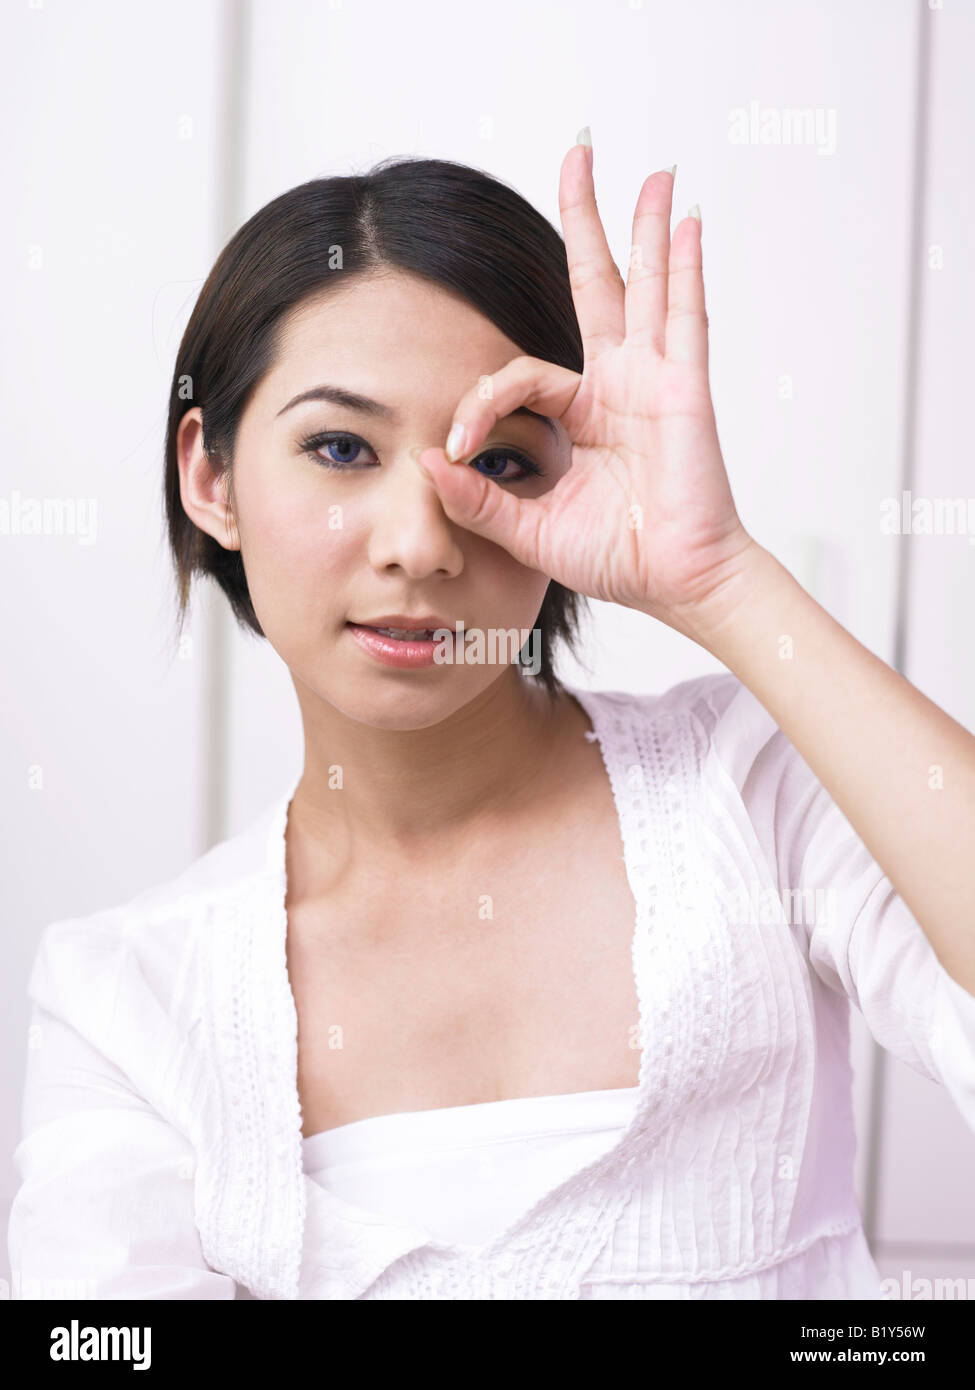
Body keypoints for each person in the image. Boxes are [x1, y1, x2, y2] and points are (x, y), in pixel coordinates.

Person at [8, 132, 975, 1301]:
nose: (419, 544)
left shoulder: (756, 792)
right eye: (339, 447)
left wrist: (719, 580)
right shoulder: (131, 997)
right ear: (208, 476)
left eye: (505, 464)